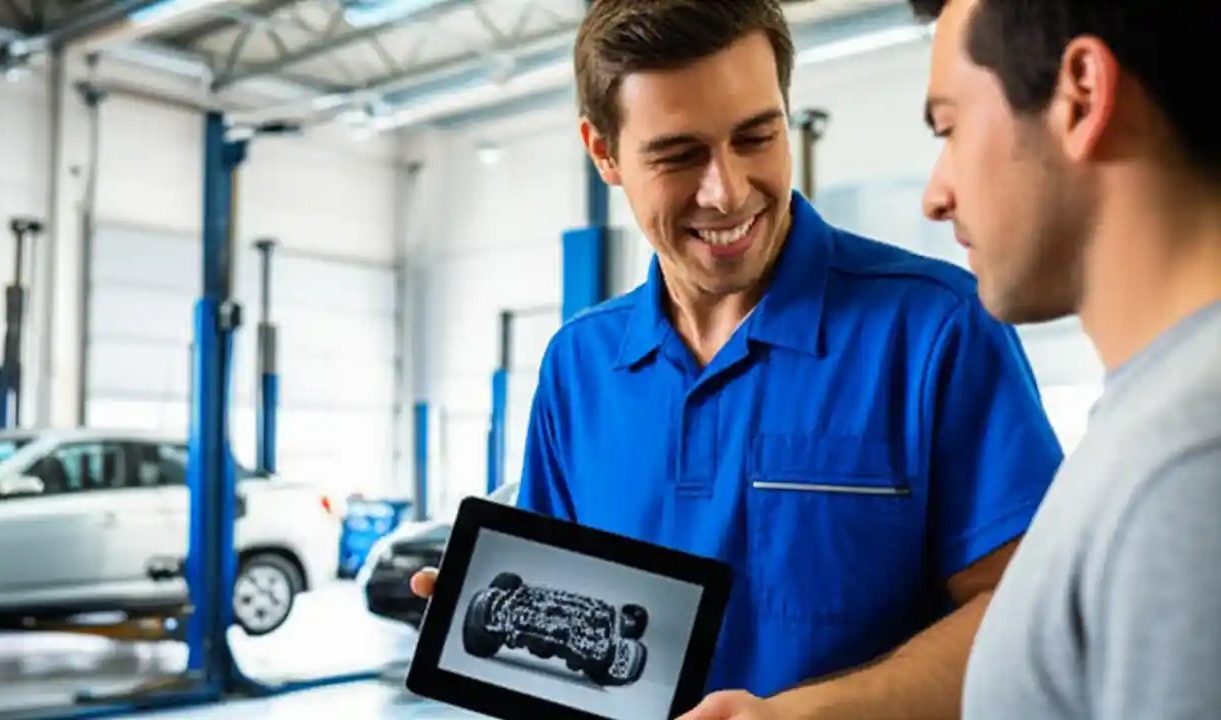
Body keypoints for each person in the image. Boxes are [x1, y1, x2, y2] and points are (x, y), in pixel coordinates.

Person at [415, 1, 1064, 717]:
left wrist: (798, 717)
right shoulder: (578, 366)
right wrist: (489, 633)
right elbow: (573, 638)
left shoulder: (936, 329)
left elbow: (1026, 617)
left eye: (756, 137)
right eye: (677, 155)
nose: (726, 192)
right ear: (604, 153)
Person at [907, 0, 1221, 718]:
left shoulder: (1189, 466)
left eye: (951, 129)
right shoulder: (1153, 431)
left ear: (1081, 95)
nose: (935, 196)